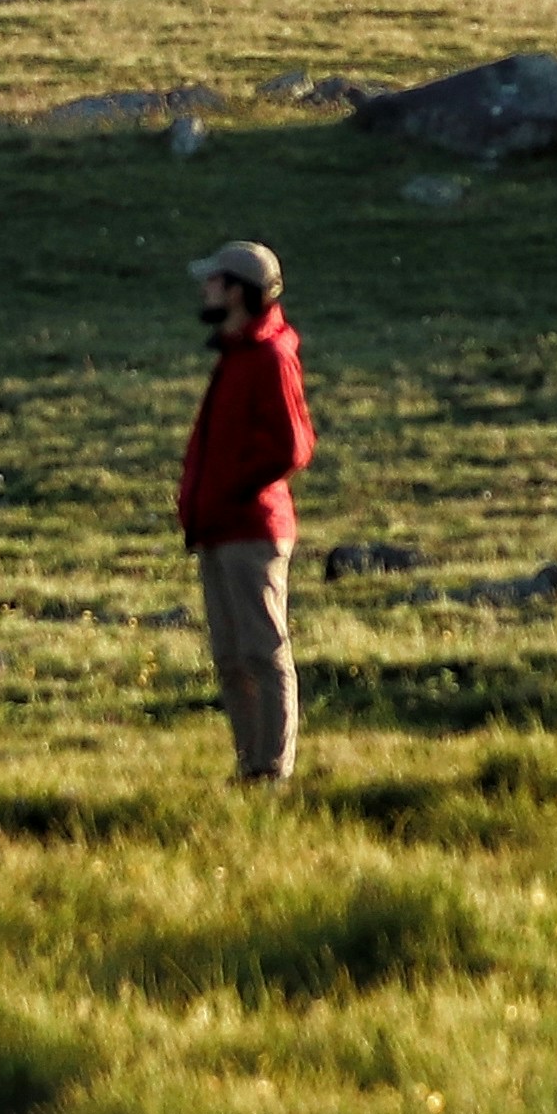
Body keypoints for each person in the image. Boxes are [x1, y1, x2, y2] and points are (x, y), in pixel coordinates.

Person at [176, 239, 315, 782]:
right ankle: (250, 768)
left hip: (250, 531)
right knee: (233, 659)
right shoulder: (238, 353)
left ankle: (272, 772)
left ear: (237, 290)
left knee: (263, 652)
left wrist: (231, 491)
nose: (206, 289)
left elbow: (293, 445)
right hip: (220, 529)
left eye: (214, 281)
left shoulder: (269, 356)